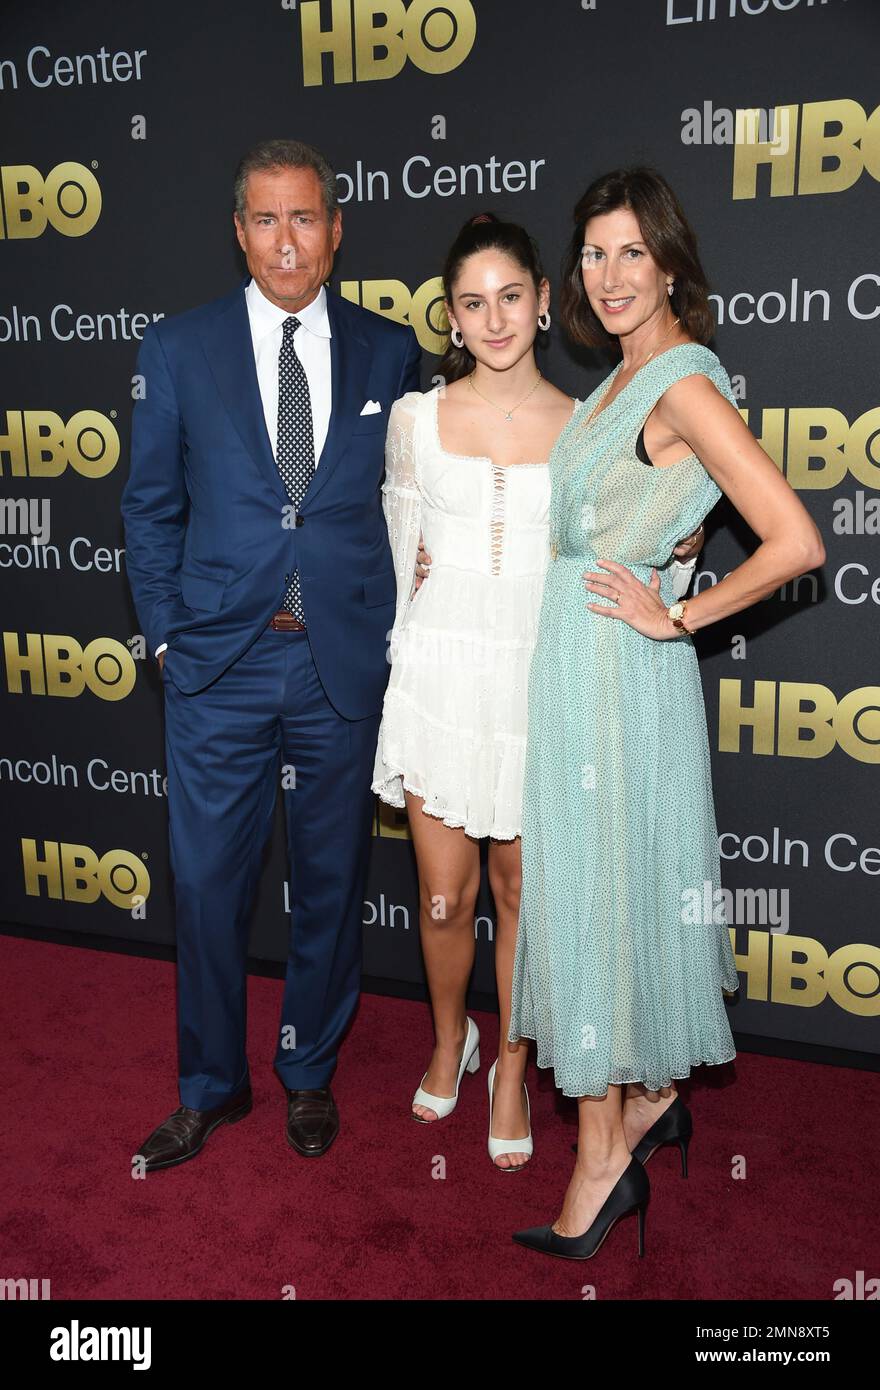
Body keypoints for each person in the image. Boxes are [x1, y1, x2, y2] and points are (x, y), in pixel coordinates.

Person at [507, 167, 825, 1257]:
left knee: (598, 899)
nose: (607, 277)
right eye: (591, 254)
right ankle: (643, 1102)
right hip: (577, 670)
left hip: (612, 675)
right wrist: (676, 538)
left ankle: (601, 1160)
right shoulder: (616, 380)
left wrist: (680, 613)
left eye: (630, 252)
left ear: (671, 261)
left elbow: (792, 538)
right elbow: (642, 509)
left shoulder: (680, 379)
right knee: (608, 890)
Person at [372, 213, 703, 1170]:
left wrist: (677, 557)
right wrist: (406, 660)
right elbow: (404, 553)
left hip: (541, 673)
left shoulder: (589, 423)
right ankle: (452, 1041)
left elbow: (633, 536)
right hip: (441, 674)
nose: (496, 318)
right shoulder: (416, 421)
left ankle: (511, 1068)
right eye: (472, 304)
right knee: (443, 899)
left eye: (512, 296)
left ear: (544, 300)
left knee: (523, 892)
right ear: (451, 317)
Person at [121, 138, 421, 1170]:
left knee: (331, 883)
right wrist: (165, 633)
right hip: (217, 666)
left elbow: (408, 505)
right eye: (264, 219)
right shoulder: (178, 350)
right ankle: (210, 1085)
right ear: (238, 231)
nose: (285, 241)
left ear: (336, 229)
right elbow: (150, 507)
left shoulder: (388, 352)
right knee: (206, 886)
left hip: (336, 662)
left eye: (304, 218)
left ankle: (306, 1071)